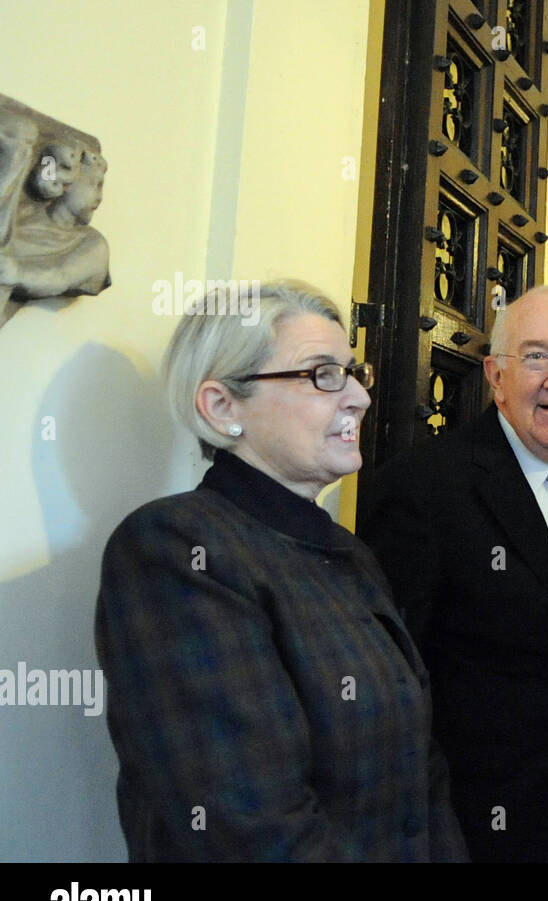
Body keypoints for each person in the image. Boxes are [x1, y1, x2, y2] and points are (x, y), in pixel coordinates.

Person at [95, 280, 467, 861]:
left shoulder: (349, 554)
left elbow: (422, 776)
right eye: (321, 374)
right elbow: (246, 823)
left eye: (352, 373)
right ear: (223, 406)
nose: (359, 399)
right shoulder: (174, 550)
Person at [361, 285, 548, 863]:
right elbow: (393, 671)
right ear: (495, 375)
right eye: (536, 356)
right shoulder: (426, 486)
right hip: (483, 819)